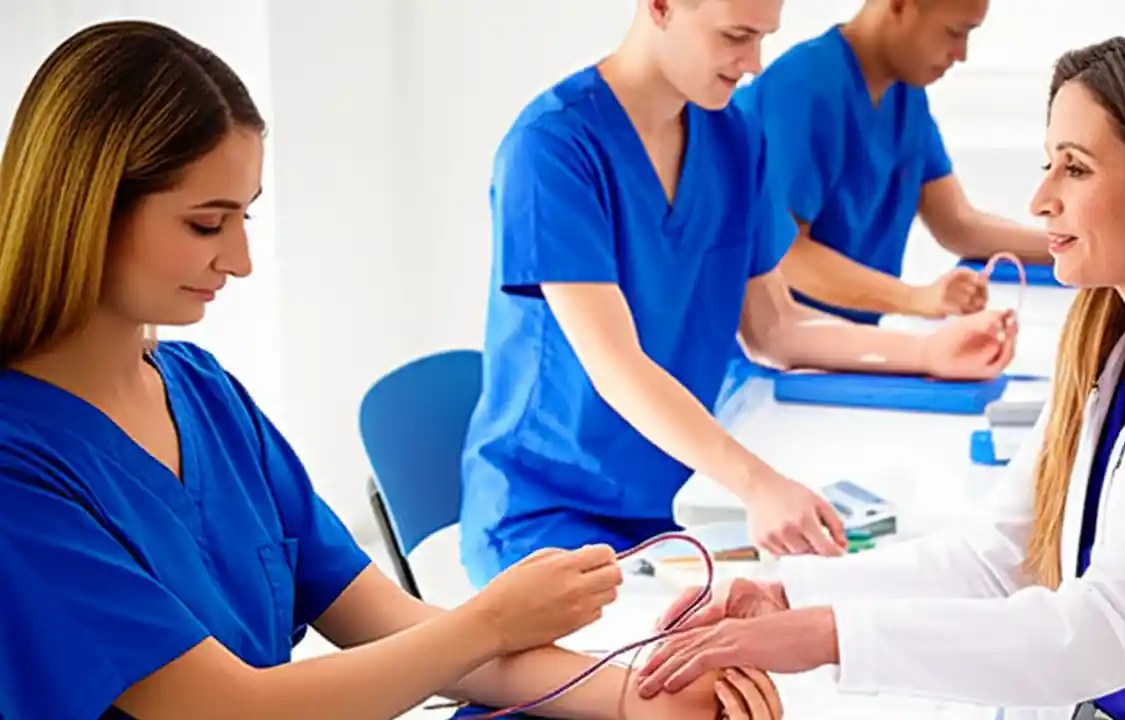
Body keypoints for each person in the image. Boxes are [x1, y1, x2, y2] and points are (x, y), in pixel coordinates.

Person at [0, 20, 783, 720]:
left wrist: (635, 696)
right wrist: (496, 619)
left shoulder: (205, 397)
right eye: (207, 223)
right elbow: (223, 707)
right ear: (89, 206)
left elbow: (385, 619)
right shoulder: (19, 466)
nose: (238, 260)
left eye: (245, 217)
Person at [636, 26, 1125, 720]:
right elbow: (1000, 557)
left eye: (1075, 167)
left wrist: (823, 636)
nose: (1039, 202)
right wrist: (788, 592)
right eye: (1047, 164)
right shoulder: (1109, 348)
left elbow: (1100, 631)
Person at [460, 0, 1019, 589]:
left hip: (678, 503)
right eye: (735, 36)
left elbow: (776, 330)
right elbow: (616, 367)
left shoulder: (731, 136)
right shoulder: (553, 148)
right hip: (551, 518)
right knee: (683, 676)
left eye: (762, 38)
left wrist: (931, 355)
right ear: (661, 6)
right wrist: (758, 484)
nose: (753, 64)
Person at [733, 0, 1051, 326]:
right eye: (954, 32)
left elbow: (957, 224)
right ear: (899, 5)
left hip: (841, 343)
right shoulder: (802, 88)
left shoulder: (905, 94)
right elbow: (786, 254)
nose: (961, 53)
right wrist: (916, 298)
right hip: (768, 350)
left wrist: (1067, 244)